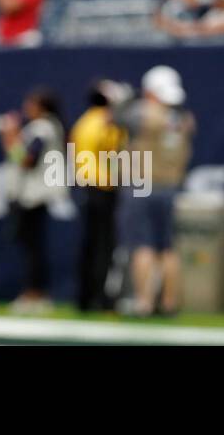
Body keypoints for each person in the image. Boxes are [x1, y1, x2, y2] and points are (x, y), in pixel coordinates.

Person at [115, 65, 196, 316]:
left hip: (143, 184)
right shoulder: (185, 120)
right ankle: (170, 302)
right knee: (168, 248)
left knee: (143, 246)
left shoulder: (144, 113)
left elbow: (116, 117)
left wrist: (123, 97)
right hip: (171, 186)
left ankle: (145, 302)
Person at [0, 88, 64, 312]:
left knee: (34, 248)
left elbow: (28, 160)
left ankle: (35, 295)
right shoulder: (46, 127)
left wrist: (10, 139)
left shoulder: (42, 128)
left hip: (34, 197)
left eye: (32, 103)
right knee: (32, 247)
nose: (27, 107)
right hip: (32, 196)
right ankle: (36, 294)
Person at [68, 80, 129, 311]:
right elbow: (115, 151)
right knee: (105, 245)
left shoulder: (83, 121)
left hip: (86, 186)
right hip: (102, 188)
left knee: (89, 244)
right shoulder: (106, 123)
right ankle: (101, 298)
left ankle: (85, 297)